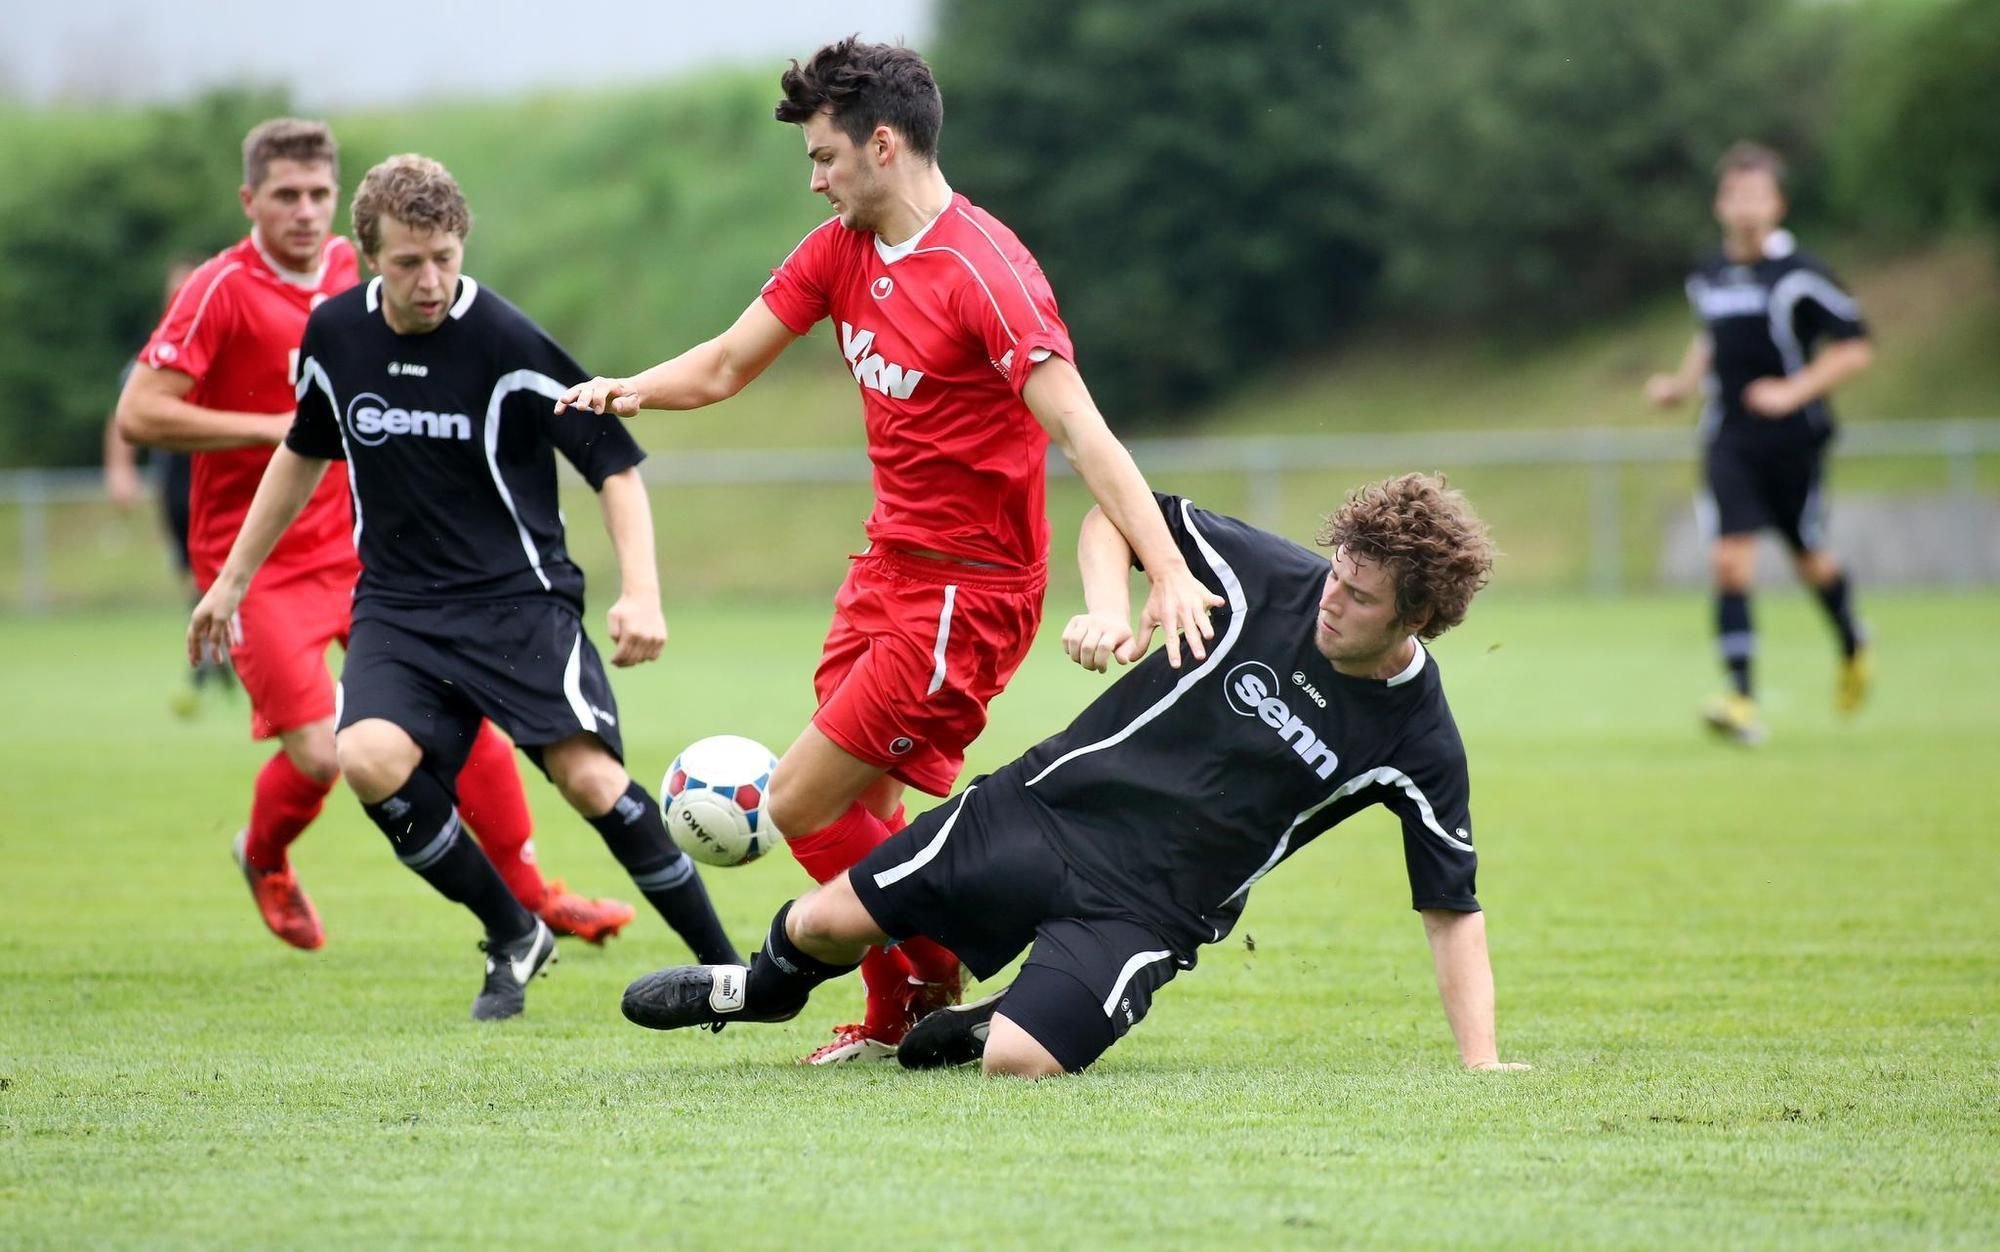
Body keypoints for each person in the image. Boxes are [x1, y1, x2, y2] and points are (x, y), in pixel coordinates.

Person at [557, 37, 1220, 1063]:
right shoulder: (840, 250)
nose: (814, 180)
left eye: (823, 158)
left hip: (969, 592)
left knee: (795, 801)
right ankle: (898, 1009)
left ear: (881, 144)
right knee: (857, 804)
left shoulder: (985, 273)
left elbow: (1084, 434)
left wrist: (1166, 568)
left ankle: (958, 943)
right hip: (884, 570)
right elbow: (731, 361)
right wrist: (630, 386)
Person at [620, 474, 1531, 1079]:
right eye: (1337, 574)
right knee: (821, 924)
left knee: (1017, 1066)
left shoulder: (1418, 736)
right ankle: (757, 993)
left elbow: (1452, 905)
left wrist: (1482, 1064)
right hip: (1044, 808)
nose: (1330, 599)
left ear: (1418, 617)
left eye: (1361, 598)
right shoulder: (1266, 576)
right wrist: (1111, 607)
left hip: (1150, 907)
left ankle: (995, 1018)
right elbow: (1114, 512)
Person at [190, 153, 741, 1020]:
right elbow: (301, 454)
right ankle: (512, 932)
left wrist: (643, 592)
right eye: (409, 261)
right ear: (369, 253)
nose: (431, 279)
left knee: (591, 785)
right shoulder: (335, 335)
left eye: (446, 256)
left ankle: (726, 973)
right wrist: (230, 582)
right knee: (365, 758)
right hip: (401, 611)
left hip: (519, 604)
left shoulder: (507, 341)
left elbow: (614, 465)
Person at [118, 119, 633, 950]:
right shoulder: (221, 288)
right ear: (251, 201)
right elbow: (139, 413)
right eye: (286, 195)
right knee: (325, 754)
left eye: (320, 194)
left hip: (366, 556)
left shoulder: (362, 270)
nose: (306, 211)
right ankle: (265, 855)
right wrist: (279, 432)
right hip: (261, 559)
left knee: (461, 721)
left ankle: (535, 897)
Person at [1645, 141, 1875, 745]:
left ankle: (1852, 639)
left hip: (1794, 441)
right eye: (1735, 195)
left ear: (1777, 204)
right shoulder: (1708, 273)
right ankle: (1741, 698)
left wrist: (1794, 392)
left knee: (1809, 558)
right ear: (1721, 204)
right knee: (1729, 559)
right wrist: (1681, 385)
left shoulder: (1801, 274)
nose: (1745, 206)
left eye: (1757, 195)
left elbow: (1855, 346)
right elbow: (1711, 338)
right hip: (1729, 437)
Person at [106, 261, 237, 718]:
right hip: (177, 480)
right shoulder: (155, 355)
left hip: (225, 477)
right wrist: (120, 471)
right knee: (191, 570)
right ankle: (212, 649)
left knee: (228, 566)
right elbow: (124, 416)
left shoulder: (225, 346)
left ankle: (219, 652)